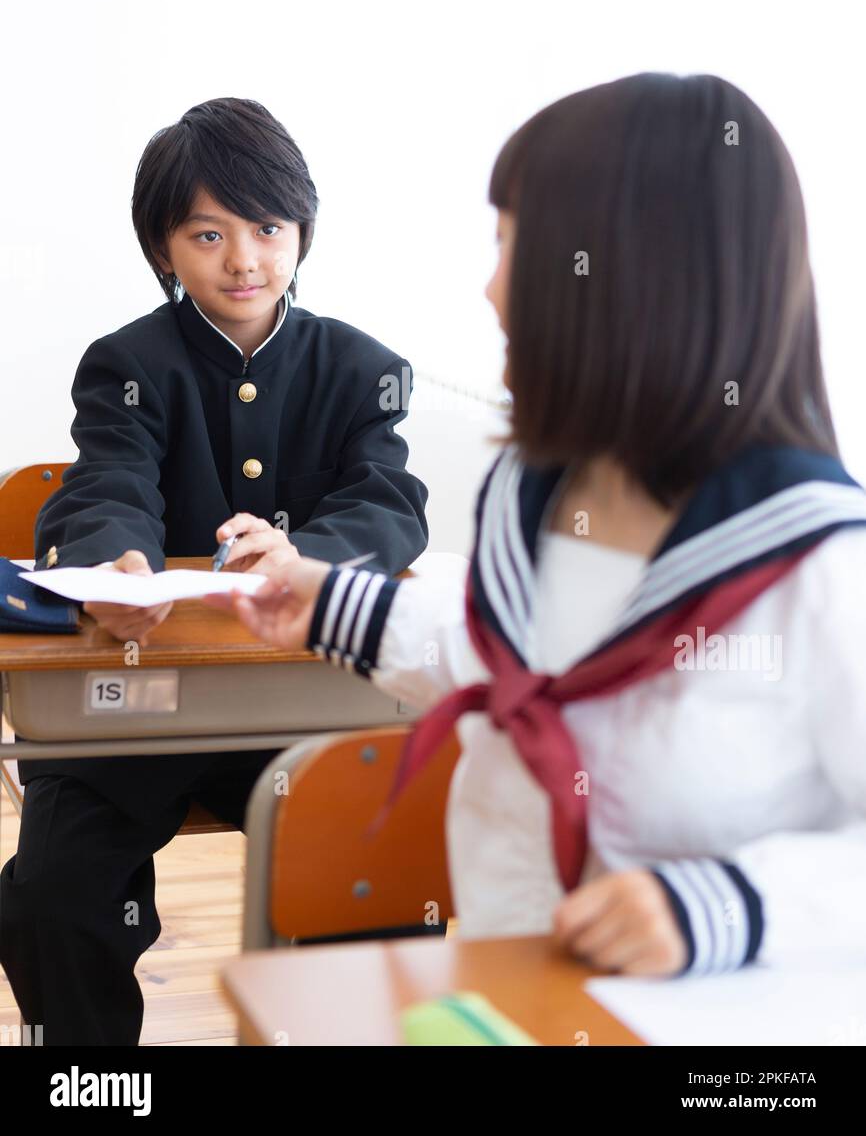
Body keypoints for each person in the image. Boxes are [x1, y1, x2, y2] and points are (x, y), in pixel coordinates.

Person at [208, 73, 866, 979]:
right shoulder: (541, 493)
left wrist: (724, 905)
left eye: (515, 245)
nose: (487, 288)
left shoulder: (820, 564)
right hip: (515, 993)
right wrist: (329, 605)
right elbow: (516, 664)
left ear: (636, 277)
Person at [0, 97, 428, 1044]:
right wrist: (120, 567)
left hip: (300, 712)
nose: (245, 260)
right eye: (208, 234)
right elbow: (104, 487)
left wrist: (308, 556)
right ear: (164, 250)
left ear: (301, 231)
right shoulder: (124, 364)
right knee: (55, 899)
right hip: (139, 712)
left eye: (268, 228)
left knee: (385, 869)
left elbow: (390, 502)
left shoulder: (362, 369)